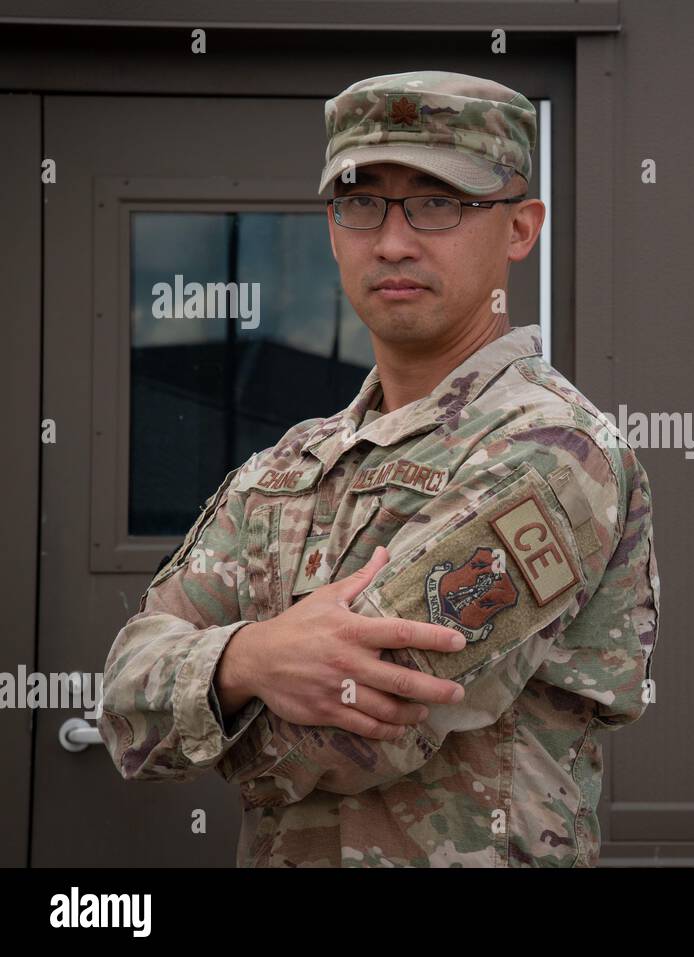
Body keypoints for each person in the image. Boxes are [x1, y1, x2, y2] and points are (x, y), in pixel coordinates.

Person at [98, 70, 661, 867]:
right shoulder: (290, 463)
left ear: (521, 228)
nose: (393, 241)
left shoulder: (553, 452)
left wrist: (207, 713)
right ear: (333, 228)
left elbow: (357, 734)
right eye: (361, 202)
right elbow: (124, 696)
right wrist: (249, 659)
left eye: (439, 202)